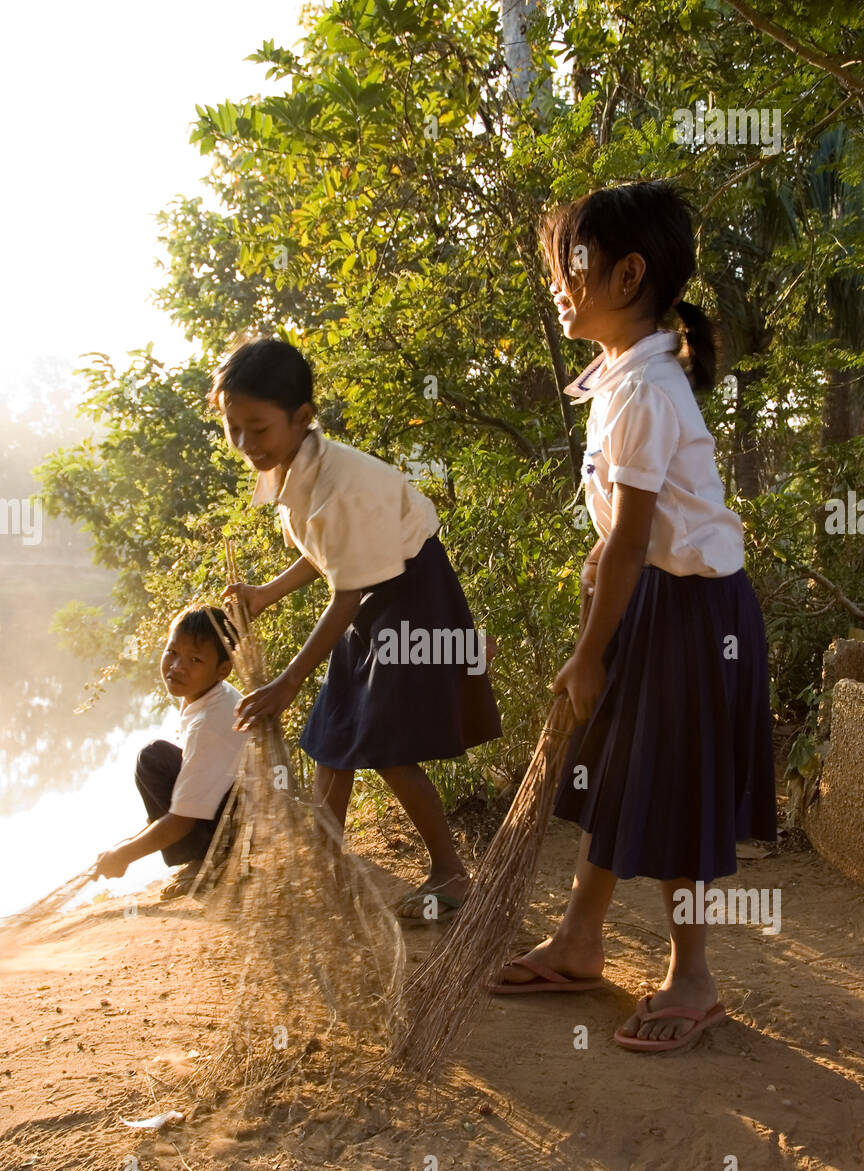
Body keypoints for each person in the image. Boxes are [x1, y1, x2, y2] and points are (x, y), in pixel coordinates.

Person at [493, 181, 777, 1051]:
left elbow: (637, 539)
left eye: (569, 267)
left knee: (679, 787)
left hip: (697, 616)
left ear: (627, 276)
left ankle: (693, 980)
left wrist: (587, 653)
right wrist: (604, 564)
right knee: (615, 767)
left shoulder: (648, 390)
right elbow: (626, 527)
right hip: (661, 595)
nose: (558, 284)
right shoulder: (622, 377)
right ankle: (581, 941)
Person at [212, 337, 501, 924]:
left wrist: (290, 681)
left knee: (386, 743)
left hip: (412, 599)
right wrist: (267, 592)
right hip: (374, 593)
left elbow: (346, 590)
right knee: (332, 734)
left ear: (302, 418)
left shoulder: (345, 483)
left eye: (258, 429)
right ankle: (324, 868)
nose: (246, 444)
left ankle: (451, 872)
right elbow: (329, 553)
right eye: (233, 428)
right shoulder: (293, 466)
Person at [95, 605, 248, 900]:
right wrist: (125, 845)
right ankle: (207, 855)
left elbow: (181, 819)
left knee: (152, 759)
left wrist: (124, 854)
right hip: (233, 803)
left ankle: (210, 859)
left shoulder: (209, 723)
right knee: (155, 759)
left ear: (222, 669)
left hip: (244, 819)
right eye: (172, 652)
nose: (177, 666)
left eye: (195, 659)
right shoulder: (208, 693)